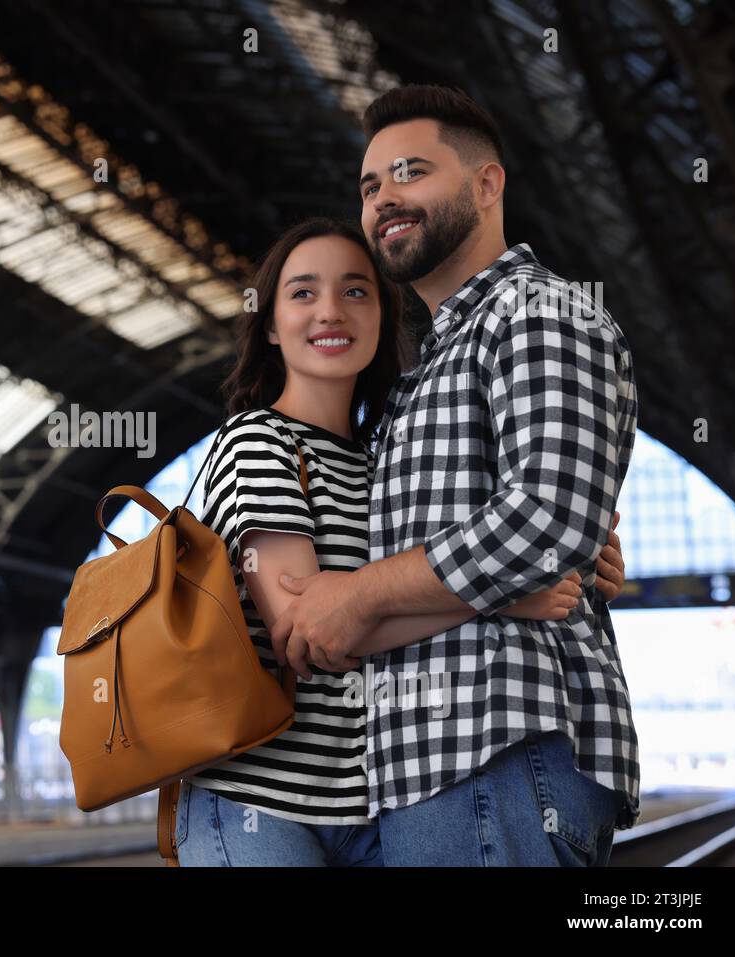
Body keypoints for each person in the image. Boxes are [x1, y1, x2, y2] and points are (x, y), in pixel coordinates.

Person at [172, 216, 626, 867]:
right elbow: (311, 634)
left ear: (384, 317)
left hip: (377, 803)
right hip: (258, 801)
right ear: (270, 325)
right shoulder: (259, 441)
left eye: (356, 291)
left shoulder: (393, 462)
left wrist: (581, 554)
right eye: (302, 292)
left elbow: (486, 549)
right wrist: (498, 596)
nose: (331, 309)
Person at [271, 85, 638, 866]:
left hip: (495, 750)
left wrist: (361, 593)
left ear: (486, 184)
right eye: (370, 186)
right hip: (436, 770)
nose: (384, 199)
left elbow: (545, 516)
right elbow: (550, 526)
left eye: (409, 172)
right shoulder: (427, 367)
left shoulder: (538, 313)